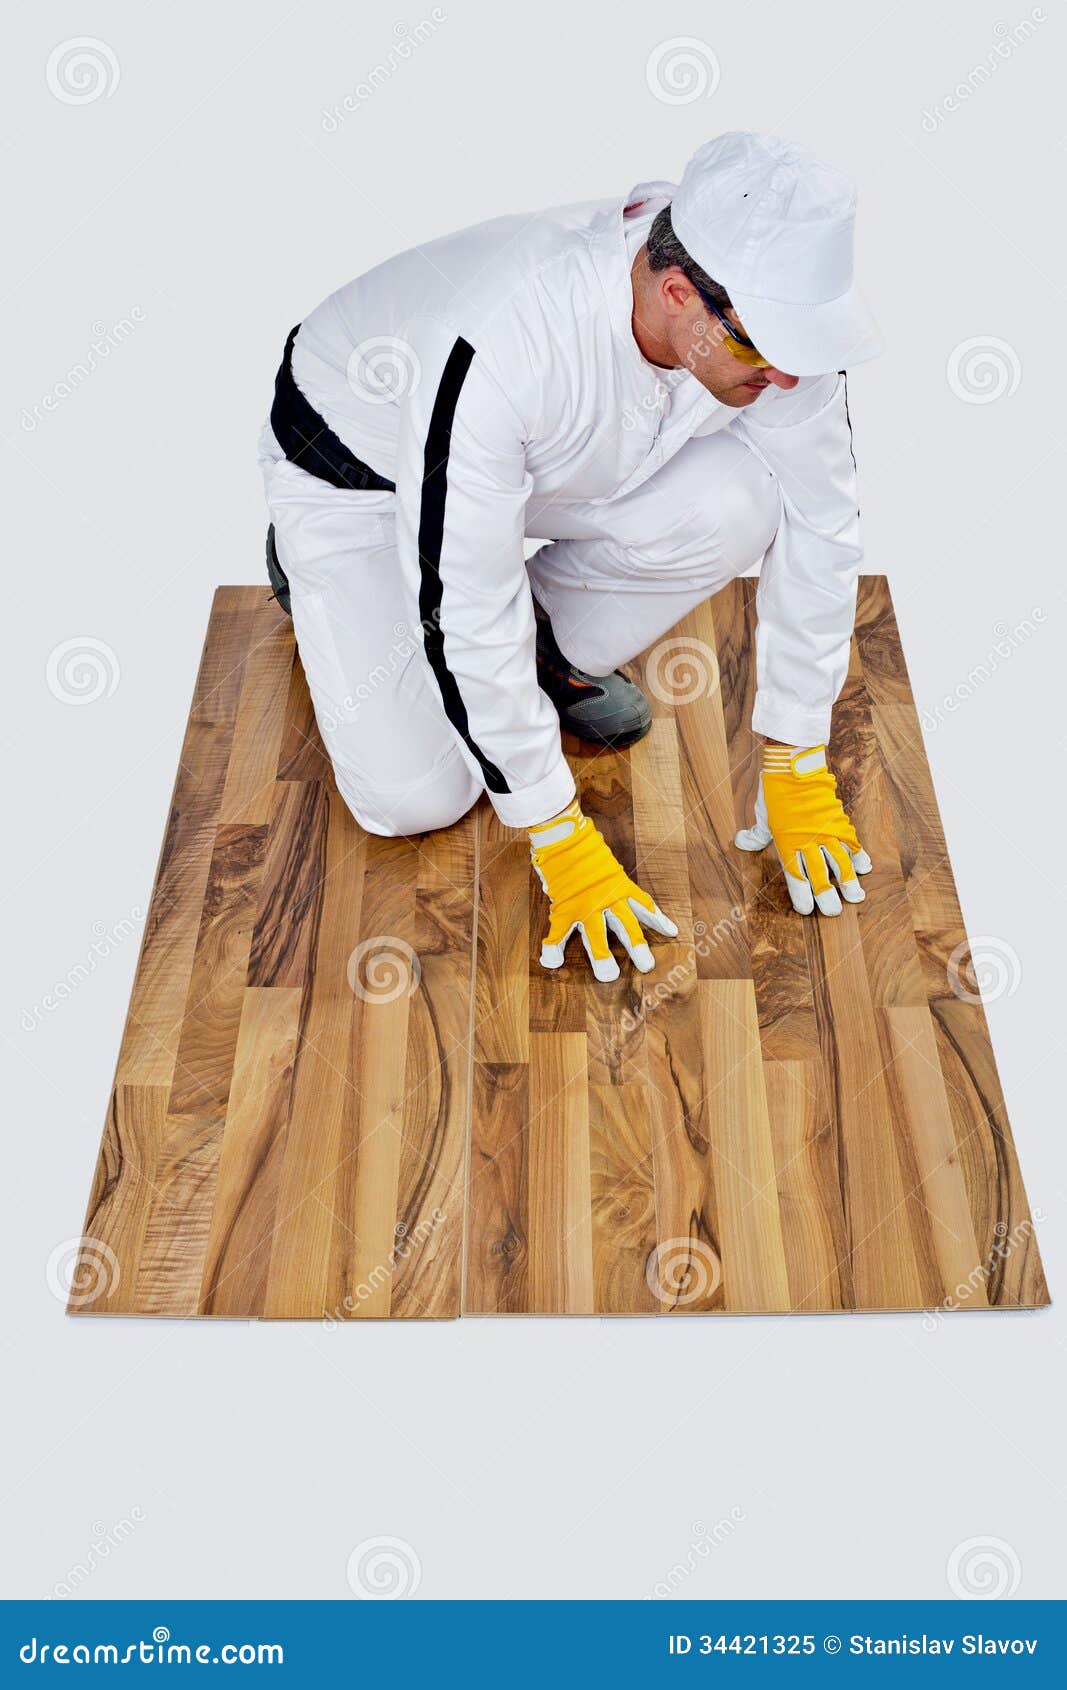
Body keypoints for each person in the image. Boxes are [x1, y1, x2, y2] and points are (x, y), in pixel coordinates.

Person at [259, 131, 880, 984]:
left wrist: (795, 751)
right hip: (362, 475)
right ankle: (324, 581)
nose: (783, 378)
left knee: (744, 499)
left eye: (799, 348)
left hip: (549, 457)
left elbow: (823, 517)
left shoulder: (754, 328)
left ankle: (534, 656)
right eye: (762, 347)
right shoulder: (503, 337)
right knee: (415, 799)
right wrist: (558, 831)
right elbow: (467, 605)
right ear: (675, 292)